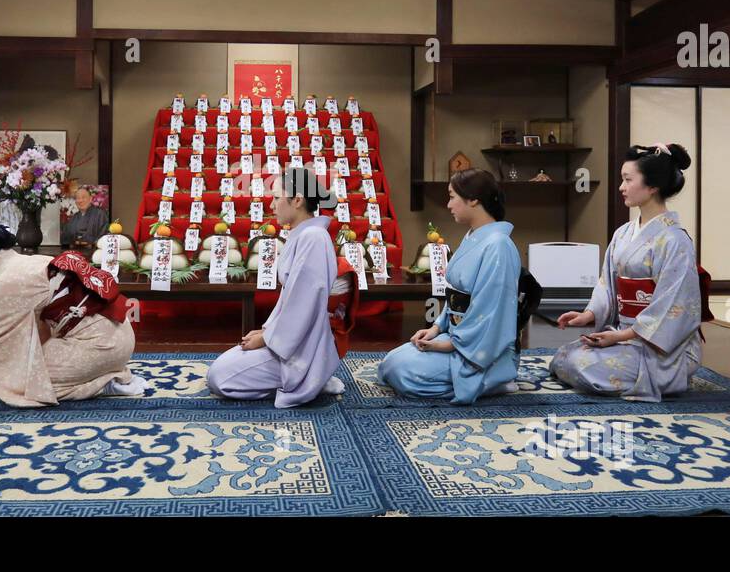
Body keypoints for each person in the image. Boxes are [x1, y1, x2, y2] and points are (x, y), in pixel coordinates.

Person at [0, 201, 145, 407]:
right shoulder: (25, 263)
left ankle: (102, 383)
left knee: (23, 378)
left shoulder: (9, 280)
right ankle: (105, 373)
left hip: (99, 346)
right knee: (22, 360)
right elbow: (7, 326)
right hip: (119, 337)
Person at [550, 143, 703, 401]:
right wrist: (588, 314)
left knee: (583, 365)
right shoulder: (622, 234)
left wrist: (622, 336)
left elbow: (674, 307)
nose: (621, 187)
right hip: (623, 335)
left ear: (652, 186)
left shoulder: (676, 241)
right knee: (564, 358)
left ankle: (670, 376)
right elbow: (607, 285)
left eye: (627, 180)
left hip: (660, 346)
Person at [378, 169, 521, 404]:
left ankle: (494, 378)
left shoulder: (498, 246)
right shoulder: (474, 236)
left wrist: (447, 345)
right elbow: (456, 296)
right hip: (460, 337)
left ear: (473, 199)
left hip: (482, 351)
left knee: (403, 372)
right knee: (392, 361)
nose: (449, 204)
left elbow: (491, 314)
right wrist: (435, 329)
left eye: (453, 196)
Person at [206, 167, 344, 407]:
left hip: (300, 348)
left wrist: (268, 339)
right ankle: (314, 376)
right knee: (223, 366)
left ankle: (312, 377)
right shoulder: (304, 235)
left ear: (298, 200)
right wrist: (265, 332)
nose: (271, 205)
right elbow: (292, 299)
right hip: (289, 339)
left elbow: (304, 305)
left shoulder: (313, 237)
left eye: (276, 197)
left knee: (219, 377)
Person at [60, 187, 109, 252]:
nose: (80, 201)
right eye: (78, 198)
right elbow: (65, 238)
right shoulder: (73, 218)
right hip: (74, 252)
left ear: (90, 199)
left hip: (94, 253)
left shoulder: (100, 214)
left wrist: (90, 242)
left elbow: (104, 237)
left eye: (83, 197)